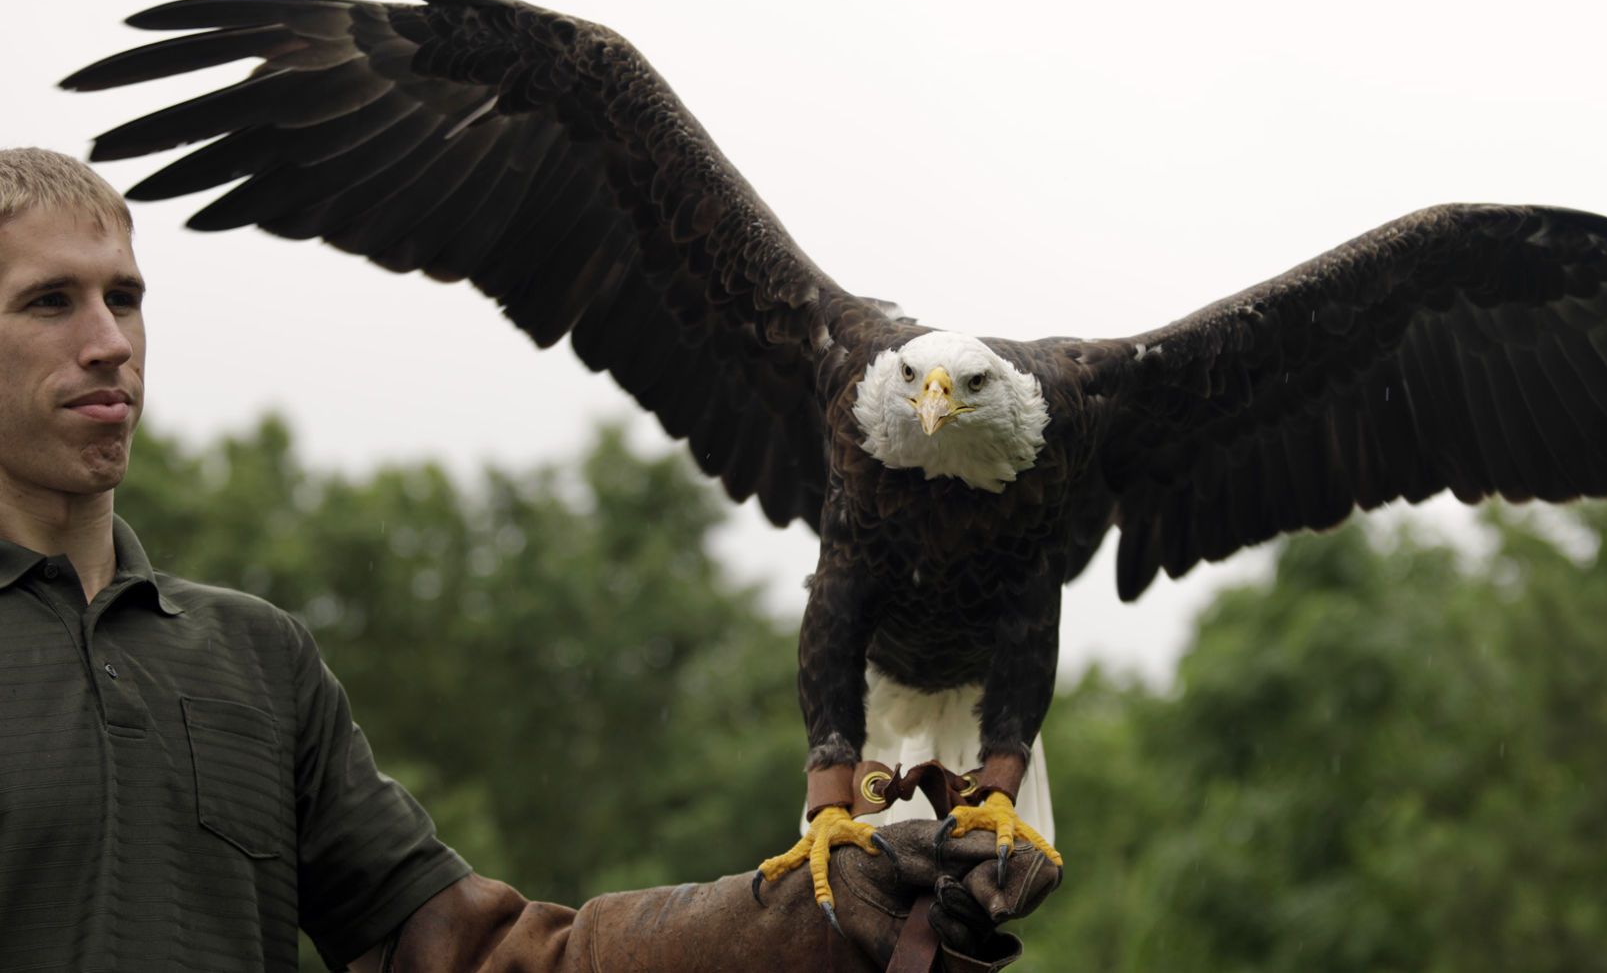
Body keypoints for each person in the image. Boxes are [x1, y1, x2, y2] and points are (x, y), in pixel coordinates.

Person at [0, 146, 1056, 973]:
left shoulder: (251, 662)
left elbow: (468, 956)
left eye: (125, 297)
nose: (110, 341)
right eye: (51, 301)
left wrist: (805, 927)